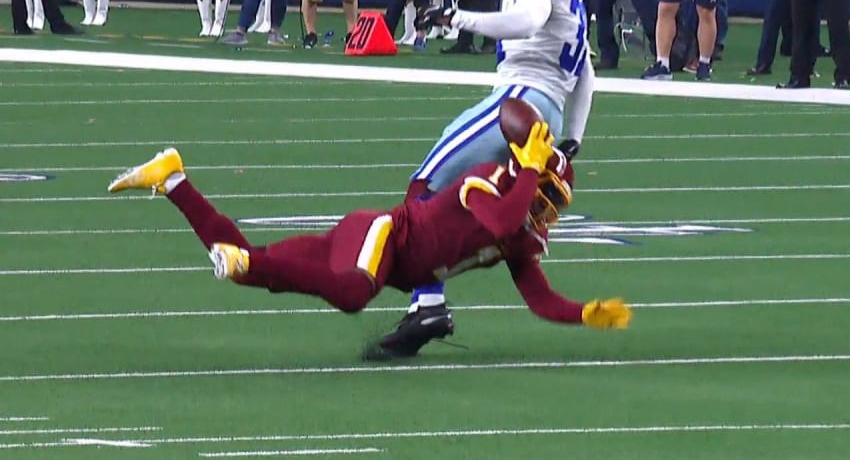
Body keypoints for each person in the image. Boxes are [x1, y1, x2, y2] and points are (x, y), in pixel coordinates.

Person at [103, 130, 631, 334]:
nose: (546, 213)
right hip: (381, 235)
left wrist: (582, 312)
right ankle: (249, 263)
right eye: (544, 195)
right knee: (354, 292)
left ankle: (172, 178)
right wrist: (526, 172)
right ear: (526, 178)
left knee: (244, 263)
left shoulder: (519, 227)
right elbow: (503, 217)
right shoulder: (488, 185)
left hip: (382, 253)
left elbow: (536, 295)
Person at [377, 0, 596, 358]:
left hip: (516, 100)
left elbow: (529, 21)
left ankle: (429, 304)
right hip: (549, 111)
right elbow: (587, 71)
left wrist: (461, 18)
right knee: (462, 206)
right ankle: (433, 295)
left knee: (423, 186)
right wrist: (571, 138)